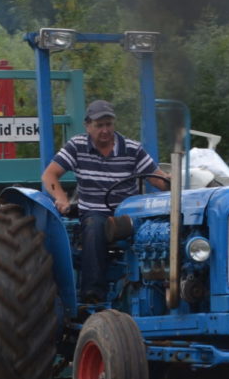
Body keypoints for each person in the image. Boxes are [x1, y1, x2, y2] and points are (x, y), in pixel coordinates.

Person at [40, 99, 168, 304]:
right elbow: (49, 175)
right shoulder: (77, 146)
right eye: (99, 125)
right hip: (95, 212)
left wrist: (173, 184)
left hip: (128, 214)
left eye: (109, 124)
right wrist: (61, 198)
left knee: (160, 230)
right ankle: (93, 294)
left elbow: (157, 178)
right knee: (94, 226)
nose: (105, 130)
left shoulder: (132, 149)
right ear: (88, 126)